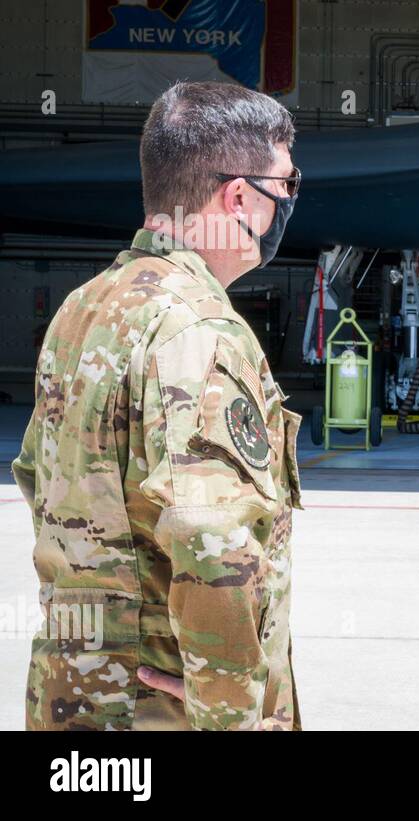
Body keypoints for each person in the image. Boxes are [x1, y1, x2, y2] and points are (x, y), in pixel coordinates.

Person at [13, 80, 305, 730]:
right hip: (162, 713)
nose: (289, 202)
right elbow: (213, 540)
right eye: (286, 186)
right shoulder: (199, 330)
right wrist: (227, 706)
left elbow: (39, 475)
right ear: (239, 197)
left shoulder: (84, 307)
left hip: (75, 694)